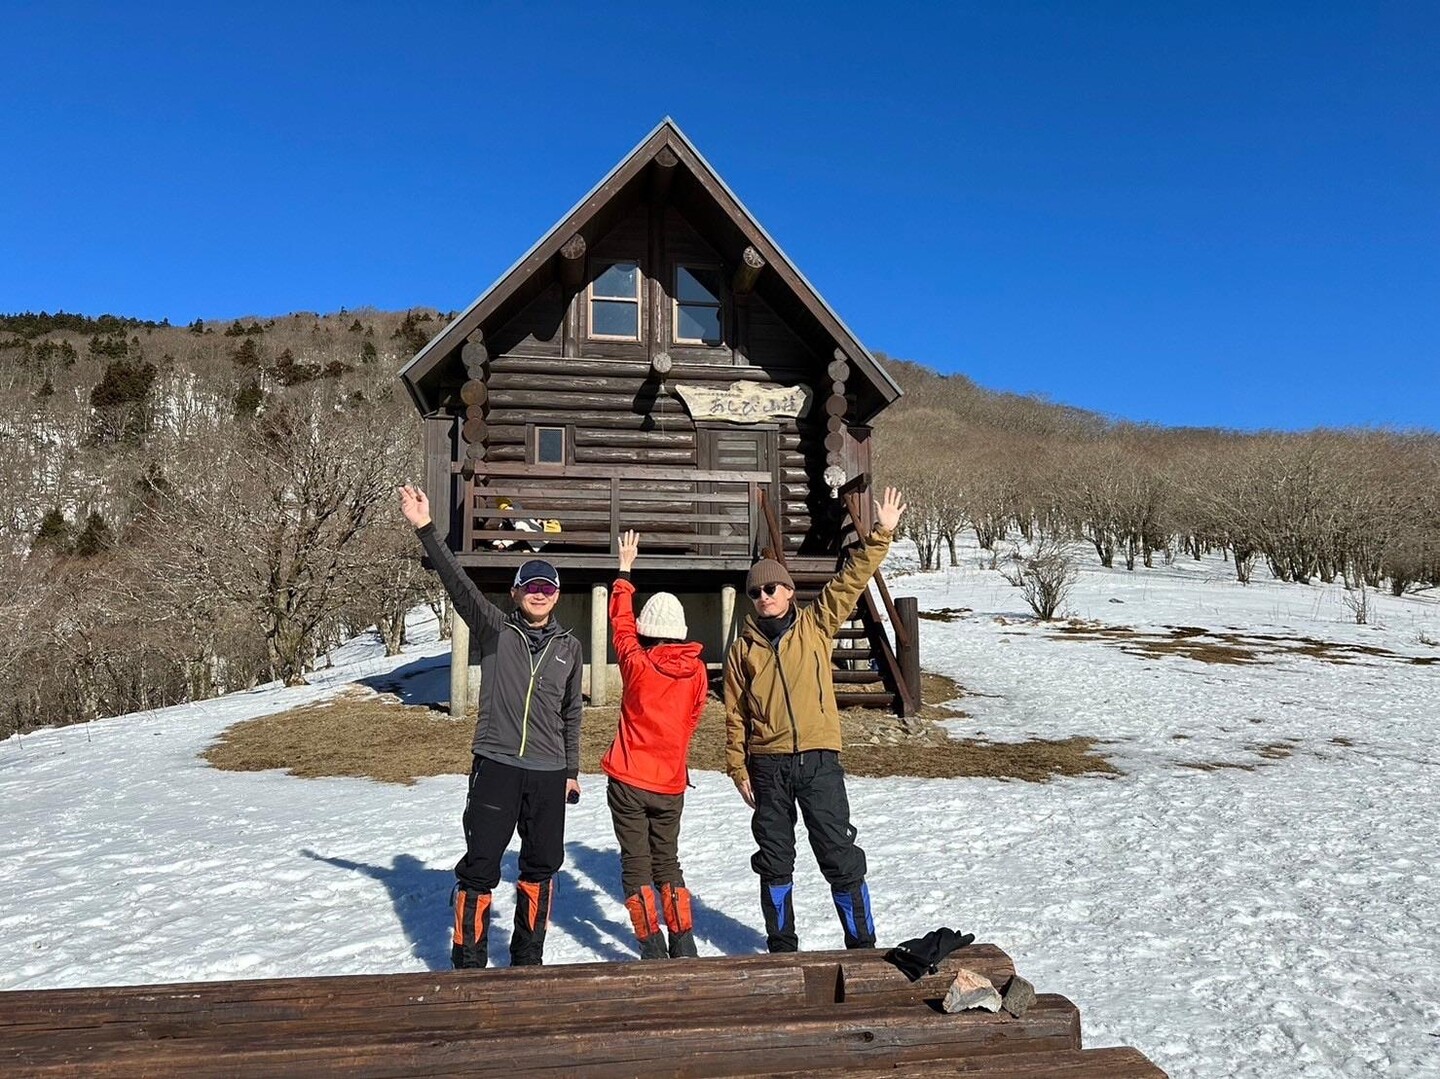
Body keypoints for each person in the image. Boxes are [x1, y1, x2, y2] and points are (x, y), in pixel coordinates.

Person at [398, 484, 583, 968]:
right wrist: (425, 528)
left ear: (556, 595)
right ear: (516, 592)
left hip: (548, 772)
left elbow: (571, 713)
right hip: (497, 765)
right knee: (481, 866)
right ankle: (469, 963)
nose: (540, 594)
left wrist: (571, 770)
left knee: (541, 867)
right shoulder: (495, 630)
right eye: (531, 586)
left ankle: (527, 959)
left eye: (548, 587)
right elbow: (458, 583)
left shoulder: (570, 647)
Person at [724, 487, 907, 953]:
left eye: (772, 588)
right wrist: (736, 766)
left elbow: (851, 580)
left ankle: (861, 945)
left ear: (788, 592)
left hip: (819, 762)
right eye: (757, 591)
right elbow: (734, 714)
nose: (764, 595)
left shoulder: (816, 625)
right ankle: (782, 947)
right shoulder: (741, 649)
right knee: (774, 859)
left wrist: (881, 533)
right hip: (768, 766)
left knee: (839, 855)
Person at [602, 530, 709, 960]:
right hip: (670, 784)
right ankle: (683, 943)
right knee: (668, 863)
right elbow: (693, 718)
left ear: (649, 631)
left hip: (628, 778)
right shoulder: (698, 672)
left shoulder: (637, 663)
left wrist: (625, 571)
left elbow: (621, 622)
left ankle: (651, 948)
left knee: (636, 866)